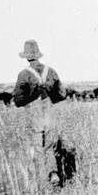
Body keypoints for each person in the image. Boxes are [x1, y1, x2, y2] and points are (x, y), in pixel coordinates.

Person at [13, 39, 70, 185]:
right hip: (49, 116)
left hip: (34, 118)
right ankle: (54, 176)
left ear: (26, 57)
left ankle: (42, 183)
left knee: (37, 150)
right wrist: (47, 93)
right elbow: (62, 95)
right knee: (50, 148)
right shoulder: (50, 71)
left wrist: (33, 95)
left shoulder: (24, 75)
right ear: (38, 55)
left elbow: (18, 101)